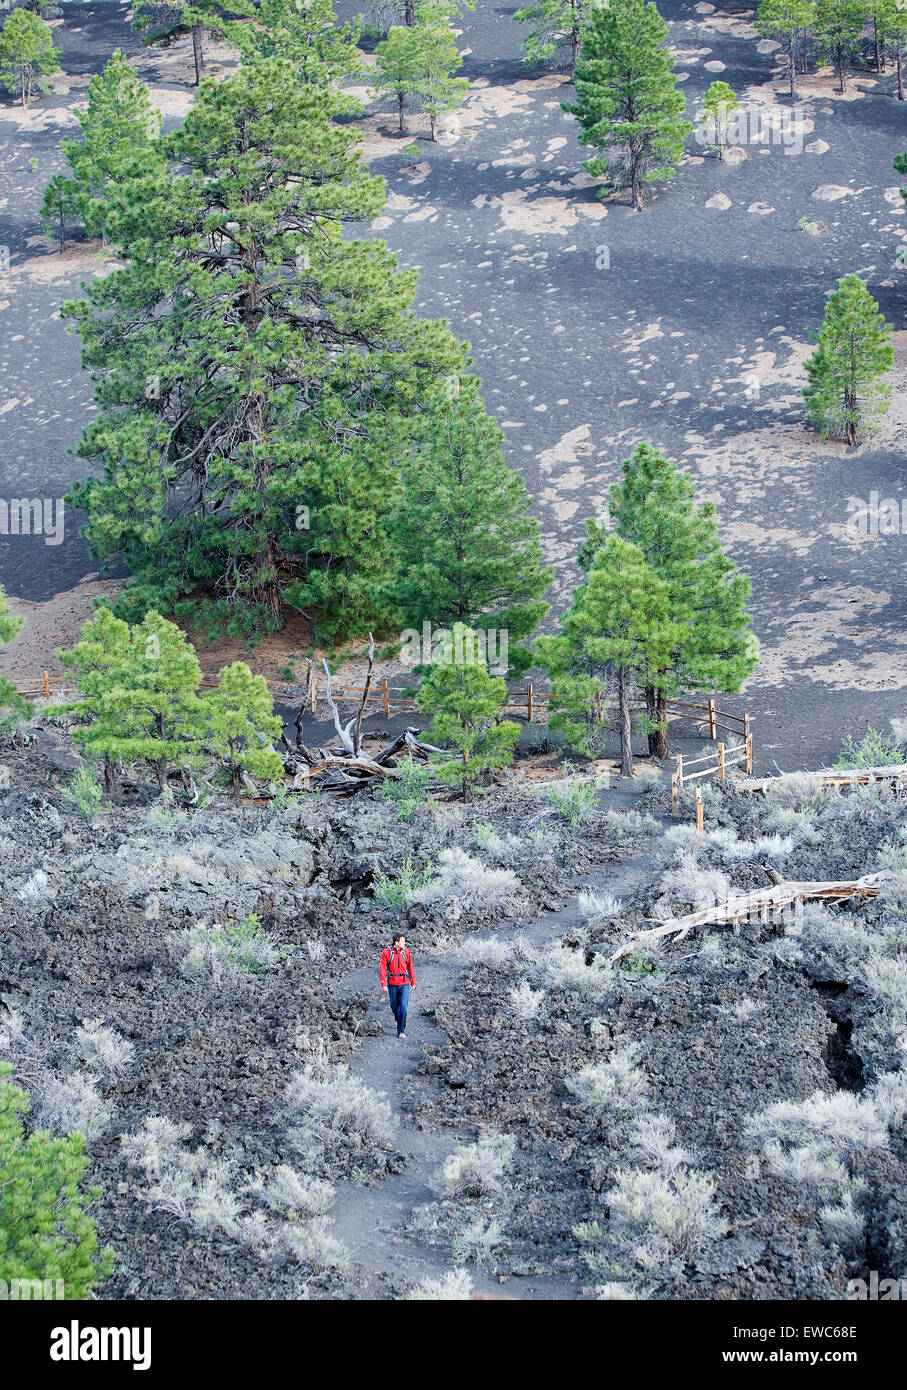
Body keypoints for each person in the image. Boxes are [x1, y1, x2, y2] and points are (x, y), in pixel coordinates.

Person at [379, 933, 416, 1039]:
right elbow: (382, 968)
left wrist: (413, 981)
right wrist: (383, 983)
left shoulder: (406, 952)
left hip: (404, 983)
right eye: (402, 941)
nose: (404, 943)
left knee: (403, 1008)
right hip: (392, 984)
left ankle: (401, 1031)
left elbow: (410, 967)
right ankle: (397, 1017)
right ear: (396, 942)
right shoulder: (386, 952)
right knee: (394, 1005)